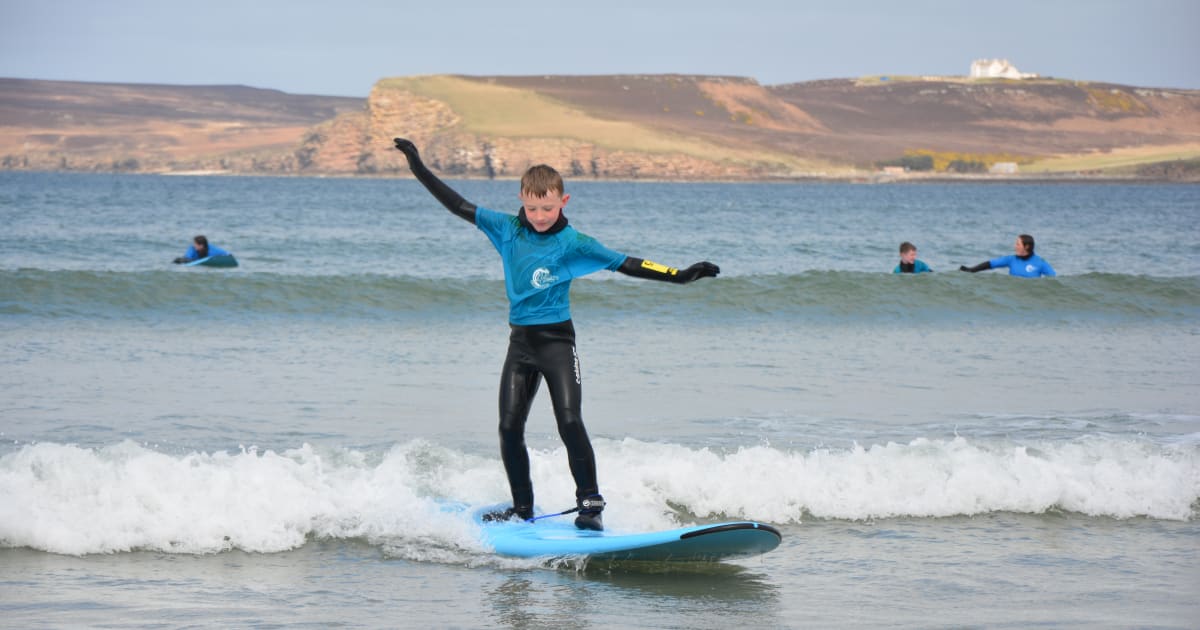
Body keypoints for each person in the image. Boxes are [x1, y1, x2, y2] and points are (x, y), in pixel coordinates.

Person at [392, 137, 720, 531]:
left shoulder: (574, 243)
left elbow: (625, 263)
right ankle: (522, 508)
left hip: (557, 343)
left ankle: (590, 504)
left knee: (568, 419)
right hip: (520, 345)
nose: (539, 215)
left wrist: (679, 275)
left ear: (564, 201)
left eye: (547, 207)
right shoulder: (508, 229)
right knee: (509, 427)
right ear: (521, 200)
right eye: (532, 208)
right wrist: (418, 166)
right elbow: (458, 204)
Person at [959, 234, 1056, 277]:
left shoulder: (1040, 262)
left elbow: (1054, 280)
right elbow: (990, 264)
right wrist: (971, 270)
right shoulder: (1011, 259)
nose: (1015, 246)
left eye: (1018, 244)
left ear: (1026, 247)